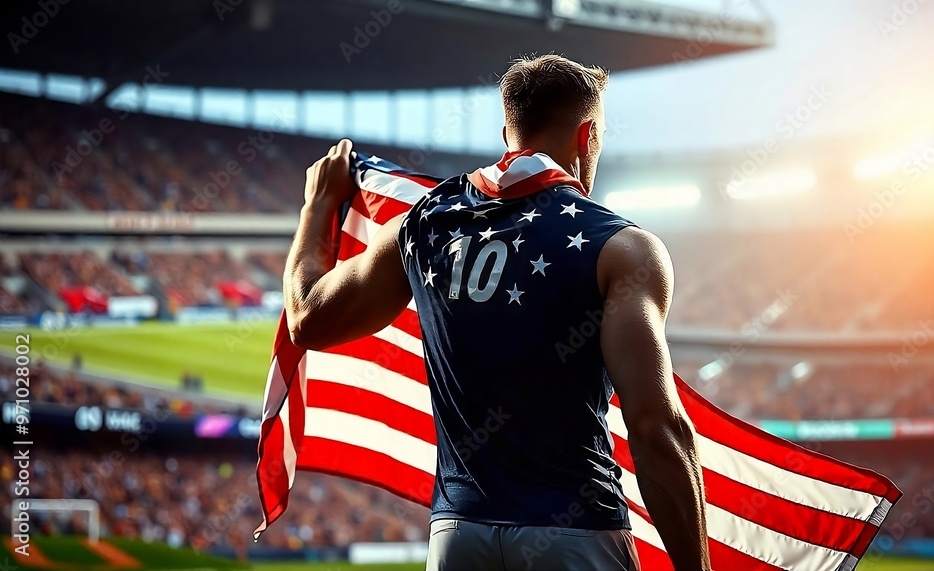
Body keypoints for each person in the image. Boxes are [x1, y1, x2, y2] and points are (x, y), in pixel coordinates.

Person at [284, 55, 711, 571]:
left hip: (458, 536)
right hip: (576, 532)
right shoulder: (621, 248)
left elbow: (306, 318)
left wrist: (316, 208)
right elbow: (654, 427)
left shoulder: (422, 225)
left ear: (507, 132)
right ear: (587, 136)